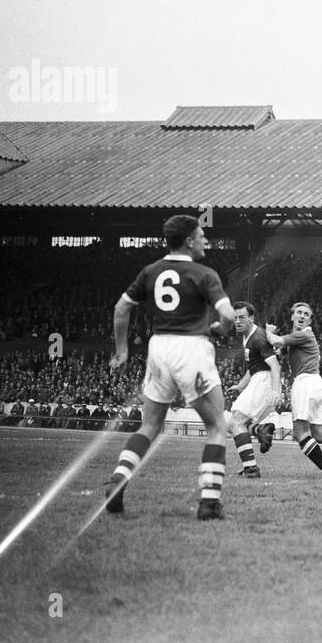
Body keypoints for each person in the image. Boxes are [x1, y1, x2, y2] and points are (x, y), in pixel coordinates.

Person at [105, 215, 237, 521]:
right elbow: (229, 313)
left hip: (159, 346)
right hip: (191, 347)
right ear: (189, 240)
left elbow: (121, 308)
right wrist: (220, 327)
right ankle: (209, 501)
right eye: (202, 235)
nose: (206, 240)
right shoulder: (204, 274)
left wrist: (122, 350)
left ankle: (118, 480)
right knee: (216, 425)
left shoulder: (150, 271)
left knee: (149, 425)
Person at [266, 302, 322, 478]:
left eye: (306, 314)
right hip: (317, 383)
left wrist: (268, 331)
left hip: (306, 382)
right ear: (292, 316)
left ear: (309, 321)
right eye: (299, 312)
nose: (302, 316)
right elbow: (278, 352)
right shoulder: (297, 338)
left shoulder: (303, 334)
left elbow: (275, 340)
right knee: (318, 434)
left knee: (300, 433)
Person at [225, 301, 281, 479]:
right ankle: (261, 430)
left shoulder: (258, 337)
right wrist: (240, 386)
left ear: (251, 318)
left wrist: (275, 390)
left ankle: (251, 468)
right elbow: (253, 367)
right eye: (235, 318)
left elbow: (275, 366)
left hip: (264, 381)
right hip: (258, 379)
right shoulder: (247, 336)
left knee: (236, 423)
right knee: (232, 425)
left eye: (242, 317)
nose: (238, 321)